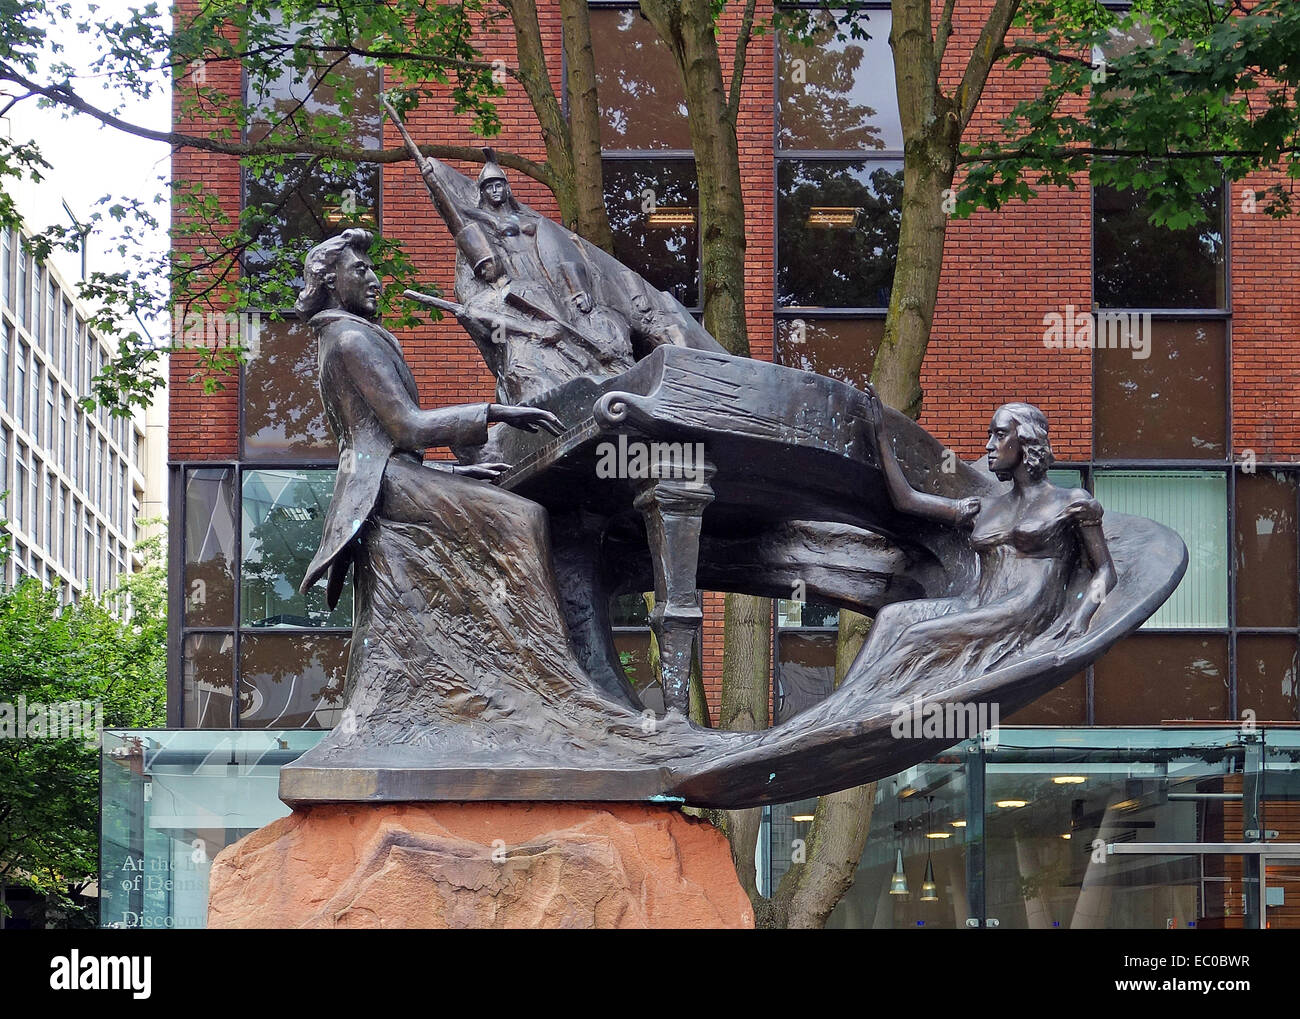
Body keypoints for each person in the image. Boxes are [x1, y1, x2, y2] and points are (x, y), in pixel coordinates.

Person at [294, 228, 563, 606]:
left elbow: (382, 444)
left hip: (390, 477)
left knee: (512, 507)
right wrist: (497, 412)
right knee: (524, 518)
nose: (374, 281)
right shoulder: (350, 340)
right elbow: (407, 428)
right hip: (382, 488)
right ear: (330, 281)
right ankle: (541, 653)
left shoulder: (352, 335)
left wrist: (451, 473)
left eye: (372, 270)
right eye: (360, 271)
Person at [844, 397, 1118, 698]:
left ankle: (853, 706)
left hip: (1024, 608)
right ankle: (841, 703)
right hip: (978, 603)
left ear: (1026, 439)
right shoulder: (984, 508)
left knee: (916, 635)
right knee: (892, 618)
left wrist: (1081, 617)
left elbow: (1105, 570)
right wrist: (882, 438)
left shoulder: (1071, 501)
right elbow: (907, 500)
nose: (989, 445)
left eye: (999, 435)